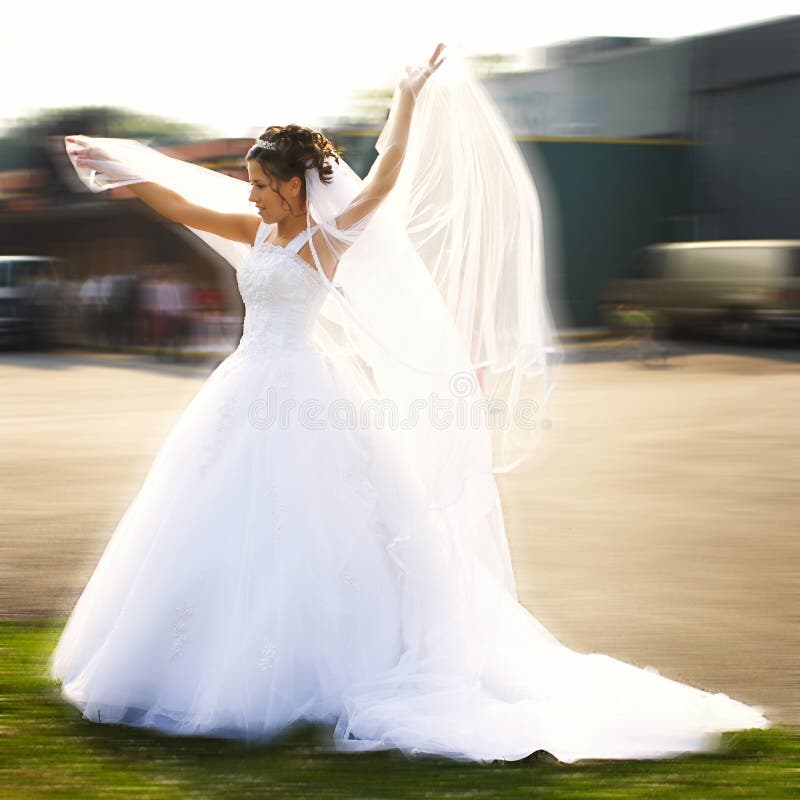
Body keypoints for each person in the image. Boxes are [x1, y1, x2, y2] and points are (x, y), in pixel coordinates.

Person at [48, 44, 770, 763]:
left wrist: (408, 95)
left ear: (296, 185)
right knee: (215, 513)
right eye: (249, 183)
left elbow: (387, 171)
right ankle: (202, 654)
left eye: (261, 184)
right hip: (244, 385)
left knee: (321, 524)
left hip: (300, 388)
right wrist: (124, 170)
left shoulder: (328, 239)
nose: (250, 194)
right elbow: (181, 205)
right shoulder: (258, 230)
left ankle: (318, 662)